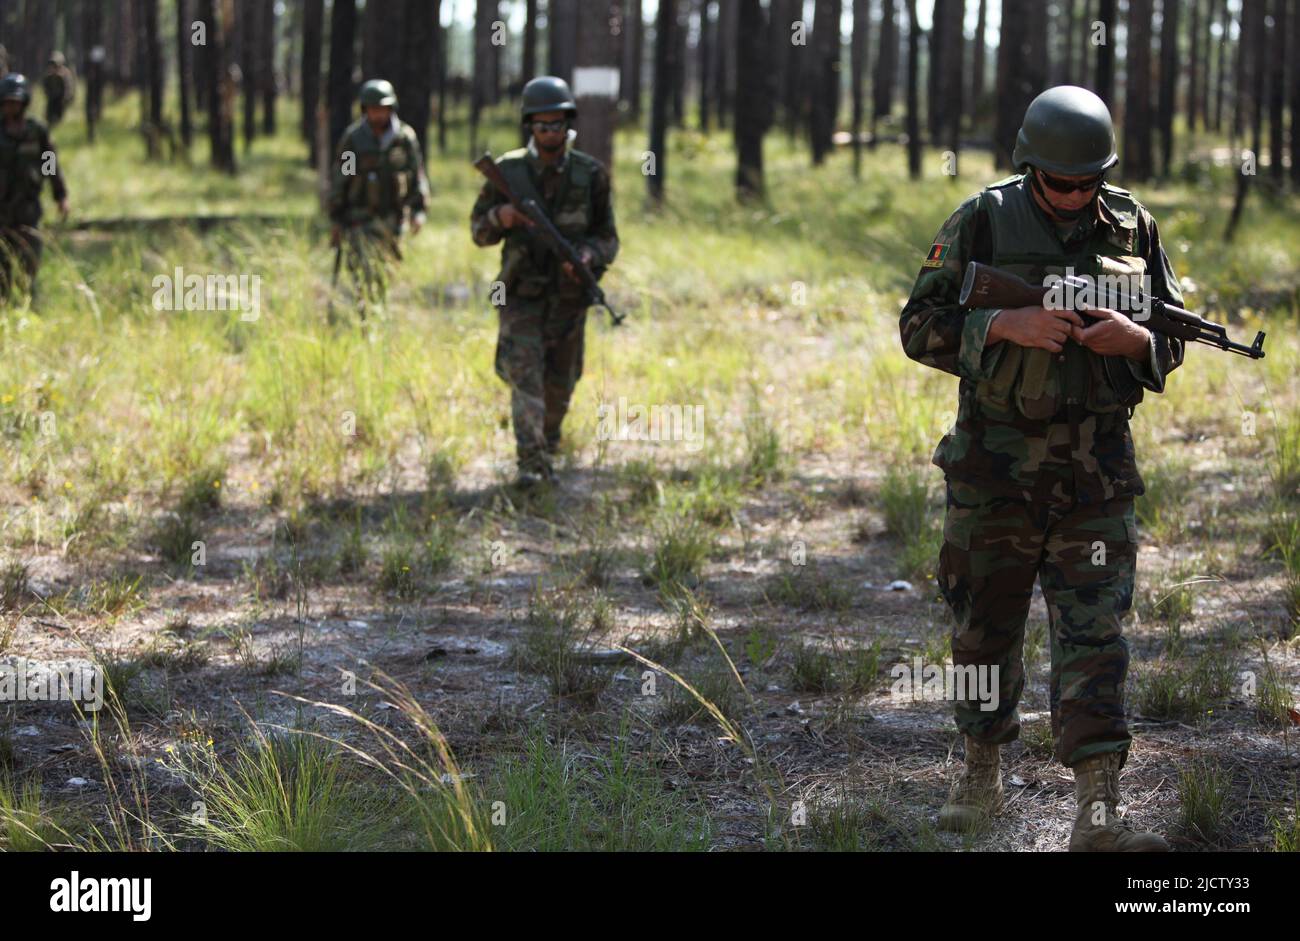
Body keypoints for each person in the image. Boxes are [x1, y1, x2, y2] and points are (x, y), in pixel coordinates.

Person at [899, 85, 1184, 851]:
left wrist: (1137, 343)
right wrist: (1004, 324)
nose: (1072, 195)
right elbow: (918, 325)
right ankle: (980, 770)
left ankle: (1098, 806)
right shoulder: (984, 218)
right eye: (1058, 183)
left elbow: (1171, 333)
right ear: (1030, 168)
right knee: (982, 625)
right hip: (994, 472)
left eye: (1086, 181)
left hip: (1097, 476)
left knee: (1097, 635)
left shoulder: (1134, 225)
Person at [470, 76, 619, 487]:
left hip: (569, 300)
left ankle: (547, 445)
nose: (551, 133)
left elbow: (609, 237)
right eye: (542, 125)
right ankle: (531, 465)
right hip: (520, 295)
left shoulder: (590, 175)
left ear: (568, 125)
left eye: (558, 125)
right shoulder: (507, 171)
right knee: (525, 379)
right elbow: (478, 232)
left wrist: (589, 256)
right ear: (530, 126)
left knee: (561, 382)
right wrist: (500, 218)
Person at [328, 78, 428, 315]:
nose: (378, 114)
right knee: (363, 275)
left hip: (392, 222)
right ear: (365, 110)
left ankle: (378, 318)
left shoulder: (404, 139)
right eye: (373, 109)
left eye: (382, 109)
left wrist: (419, 211)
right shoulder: (354, 140)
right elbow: (342, 179)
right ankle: (366, 322)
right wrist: (336, 217)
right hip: (359, 220)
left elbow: (417, 176)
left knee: (385, 275)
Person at [0, 73, 68, 304]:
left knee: (30, 257)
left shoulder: (36, 130)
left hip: (29, 207)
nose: (12, 106)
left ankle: (27, 299)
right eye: (8, 102)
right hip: (2, 209)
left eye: (16, 102)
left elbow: (50, 162)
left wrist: (59, 195)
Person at [41, 52, 74, 127]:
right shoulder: (49, 75)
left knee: (58, 117)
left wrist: (65, 98)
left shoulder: (65, 74)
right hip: (51, 98)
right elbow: (45, 86)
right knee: (49, 116)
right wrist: (47, 93)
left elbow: (68, 88)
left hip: (60, 99)